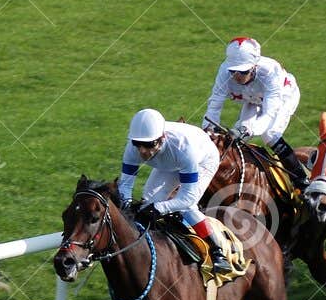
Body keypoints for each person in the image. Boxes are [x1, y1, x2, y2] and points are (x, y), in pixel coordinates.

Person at [117, 108, 233, 274]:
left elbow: (187, 198)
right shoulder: (133, 148)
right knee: (148, 200)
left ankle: (217, 252)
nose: (142, 151)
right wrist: (127, 206)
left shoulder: (183, 149)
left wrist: (160, 208)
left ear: (162, 138)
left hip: (202, 160)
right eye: (138, 144)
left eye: (148, 145)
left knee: (185, 207)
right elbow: (125, 185)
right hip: (169, 161)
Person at [202, 37, 307, 188]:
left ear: (254, 67)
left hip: (282, 98)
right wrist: (208, 131)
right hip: (253, 99)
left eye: (243, 71)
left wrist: (245, 130)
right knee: (236, 133)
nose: (237, 76)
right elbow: (214, 104)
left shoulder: (271, 72)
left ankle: (301, 181)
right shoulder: (224, 71)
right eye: (233, 71)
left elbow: (269, 114)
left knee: (270, 135)